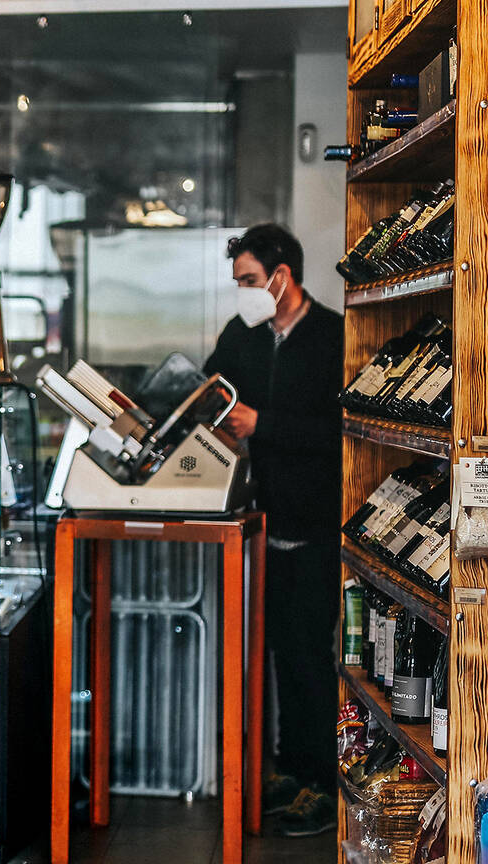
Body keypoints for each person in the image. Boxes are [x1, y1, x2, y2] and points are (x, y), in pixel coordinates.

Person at [203, 223, 343, 838]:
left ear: (283, 277)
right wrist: (214, 406)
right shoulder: (245, 334)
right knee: (281, 652)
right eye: (238, 283)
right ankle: (291, 766)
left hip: (318, 527)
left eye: (250, 281)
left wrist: (262, 423)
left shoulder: (334, 337)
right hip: (263, 522)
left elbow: (339, 436)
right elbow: (209, 386)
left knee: (314, 657)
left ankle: (324, 782)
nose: (243, 293)